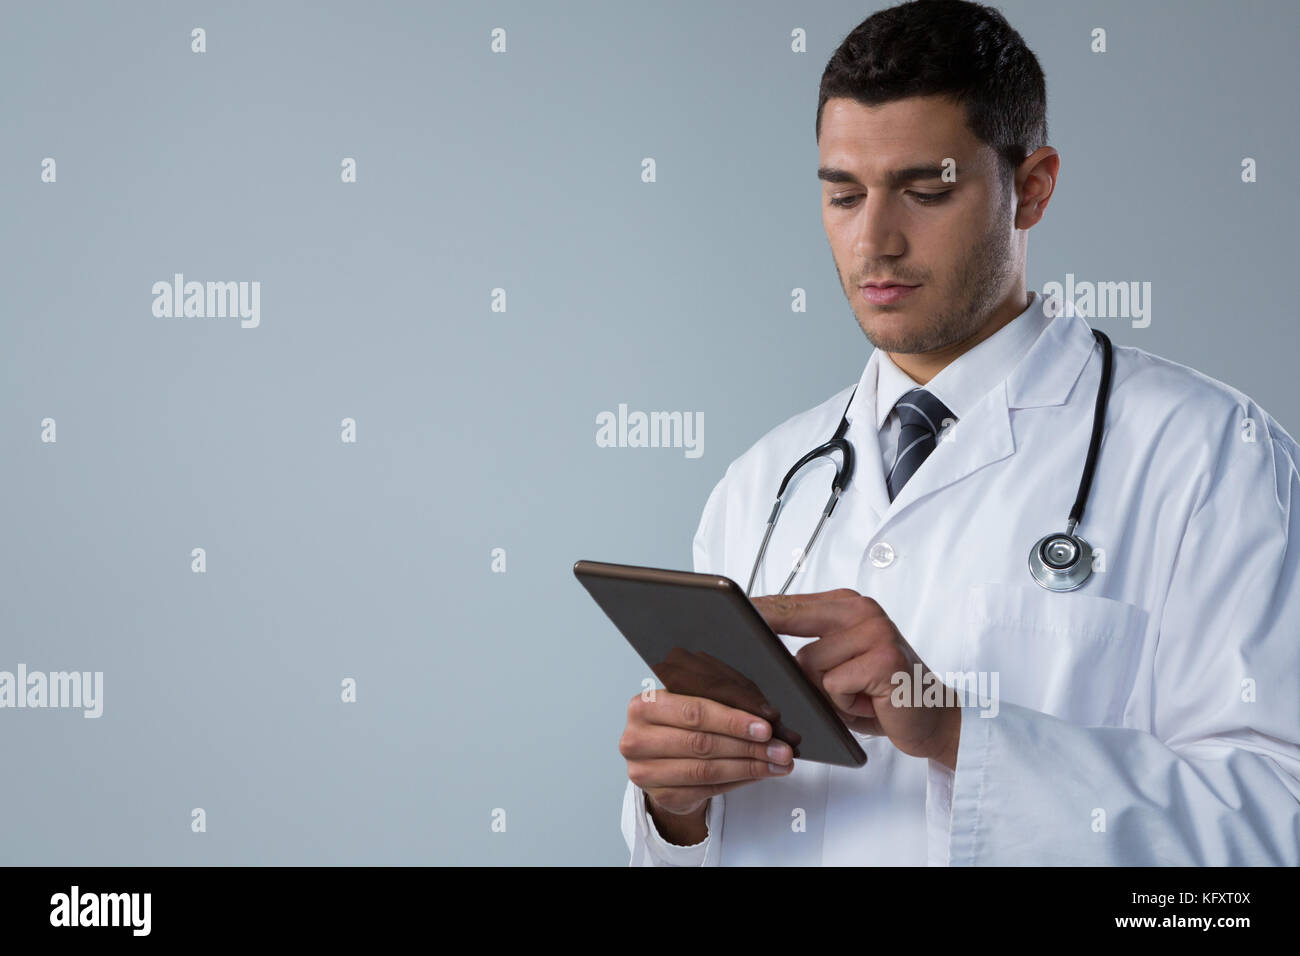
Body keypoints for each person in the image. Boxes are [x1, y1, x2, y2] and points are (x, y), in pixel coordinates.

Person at [616, 0, 1300, 865]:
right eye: (843, 194)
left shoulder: (1211, 459)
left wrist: (957, 732)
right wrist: (675, 812)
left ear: (1035, 187)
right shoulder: (762, 484)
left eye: (927, 190)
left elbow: (1273, 840)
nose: (876, 242)